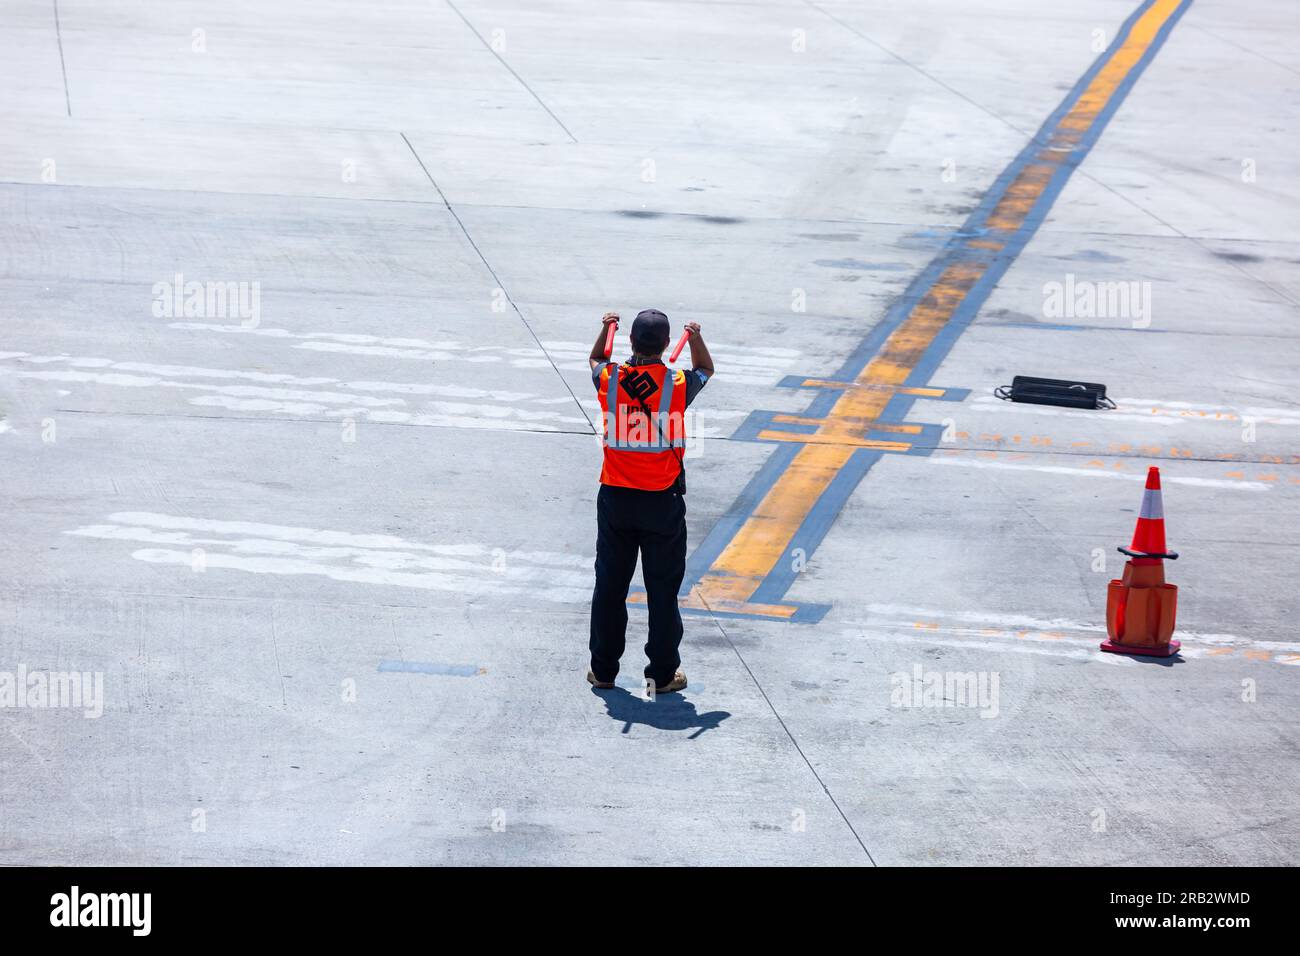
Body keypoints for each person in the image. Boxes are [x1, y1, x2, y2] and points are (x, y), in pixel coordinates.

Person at [586, 309, 714, 694]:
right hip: (661, 501)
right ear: (665, 344)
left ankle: (604, 670)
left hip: (616, 499)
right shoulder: (676, 385)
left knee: (610, 585)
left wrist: (606, 326)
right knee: (662, 589)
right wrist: (694, 338)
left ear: (631, 342)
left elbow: (596, 360)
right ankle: (661, 674)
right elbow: (706, 368)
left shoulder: (611, 380)